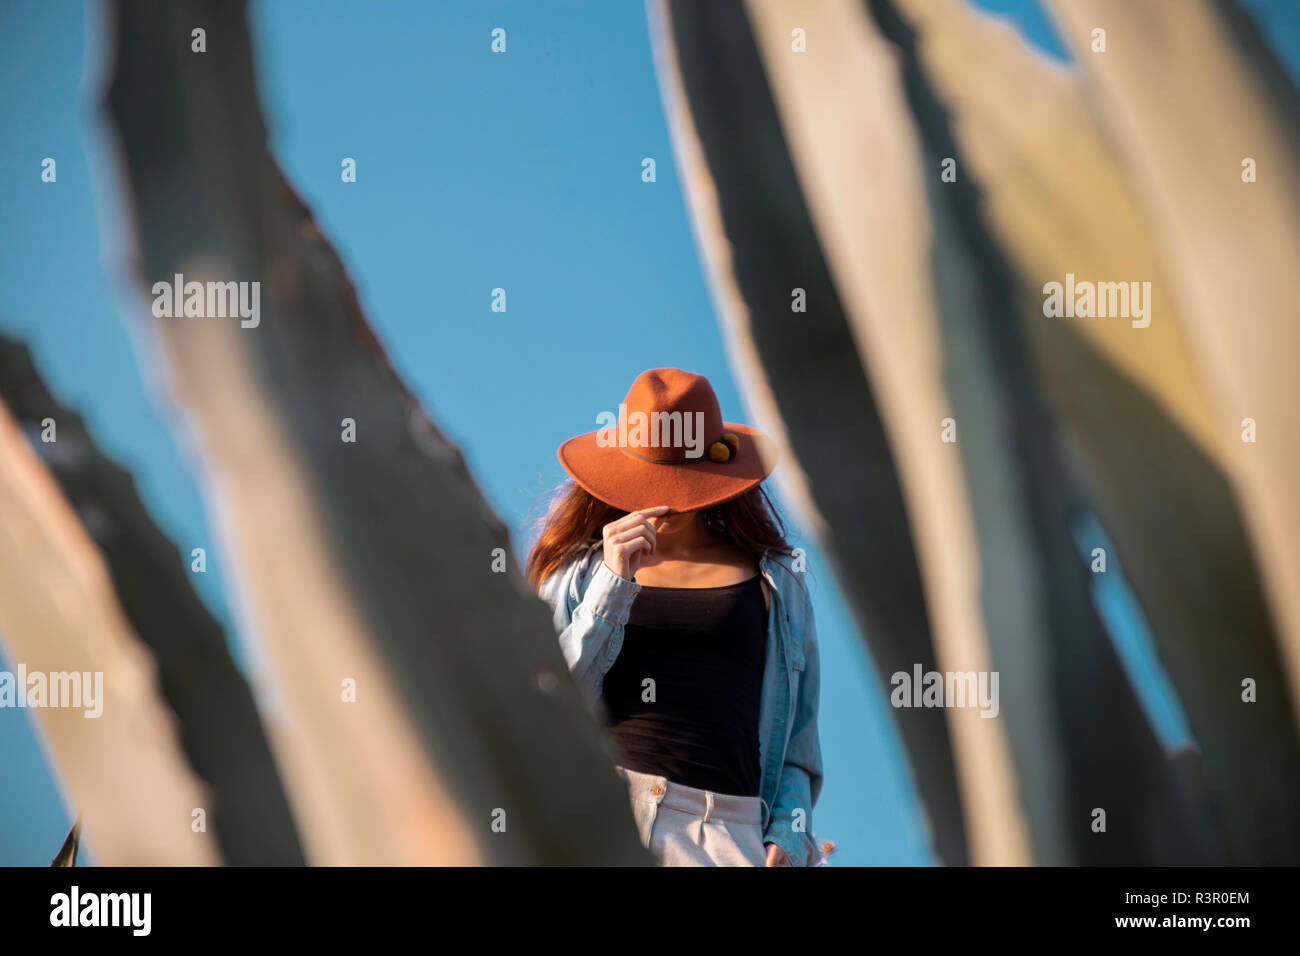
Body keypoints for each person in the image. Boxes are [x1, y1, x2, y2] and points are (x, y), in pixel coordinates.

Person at [528, 367, 823, 866]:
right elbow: (547, 702)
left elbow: (797, 745)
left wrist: (788, 836)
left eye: (680, 480)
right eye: (652, 477)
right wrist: (613, 583)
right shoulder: (578, 571)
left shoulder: (778, 584)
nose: (664, 497)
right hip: (601, 813)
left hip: (728, 834)